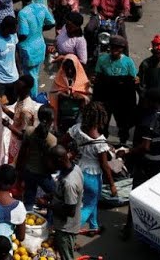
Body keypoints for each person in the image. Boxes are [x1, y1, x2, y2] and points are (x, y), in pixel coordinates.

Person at [70, 103, 116, 236]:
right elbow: (104, 165)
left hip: (78, 169)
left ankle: (93, 227)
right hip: (93, 176)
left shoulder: (77, 129)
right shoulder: (100, 141)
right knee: (89, 205)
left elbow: (64, 140)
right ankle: (73, 231)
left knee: (91, 201)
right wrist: (112, 184)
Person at [92, 34, 138, 142]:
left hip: (121, 98)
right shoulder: (102, 60)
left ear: (122, 49)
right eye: (112, 47)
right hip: (105, 95)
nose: (114, 50)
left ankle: (123, 142)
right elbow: (97, 76)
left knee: (123, 123)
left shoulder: (128, 62)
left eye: (118, 47)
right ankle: (102, 143)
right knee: (102, 121)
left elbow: (133, 79)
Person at [16, 0, 53, 96]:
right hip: (40, 46)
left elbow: (24, 33)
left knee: (30, 77)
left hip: (28, 49)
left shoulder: (22, 13)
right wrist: (39, 29)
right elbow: (51, 22)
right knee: (35, 74)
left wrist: (15, 42)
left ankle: (33, 99)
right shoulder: (41, 7)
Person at [49, 145, 84, 260]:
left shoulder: (69, 183)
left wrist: (47, 205)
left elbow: (70, 211)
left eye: (52, 161)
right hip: (65, 226)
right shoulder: (75, 168)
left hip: (66, 228)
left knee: (67, 256)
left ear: (59, 160)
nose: (50, 164)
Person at [0, 16, 21, 104]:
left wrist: (20, 71)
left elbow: (15, 53)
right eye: (15, 28)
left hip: (14, 79)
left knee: (13, 107)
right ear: (7, 28)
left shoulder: (13, 36)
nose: (17, 30)